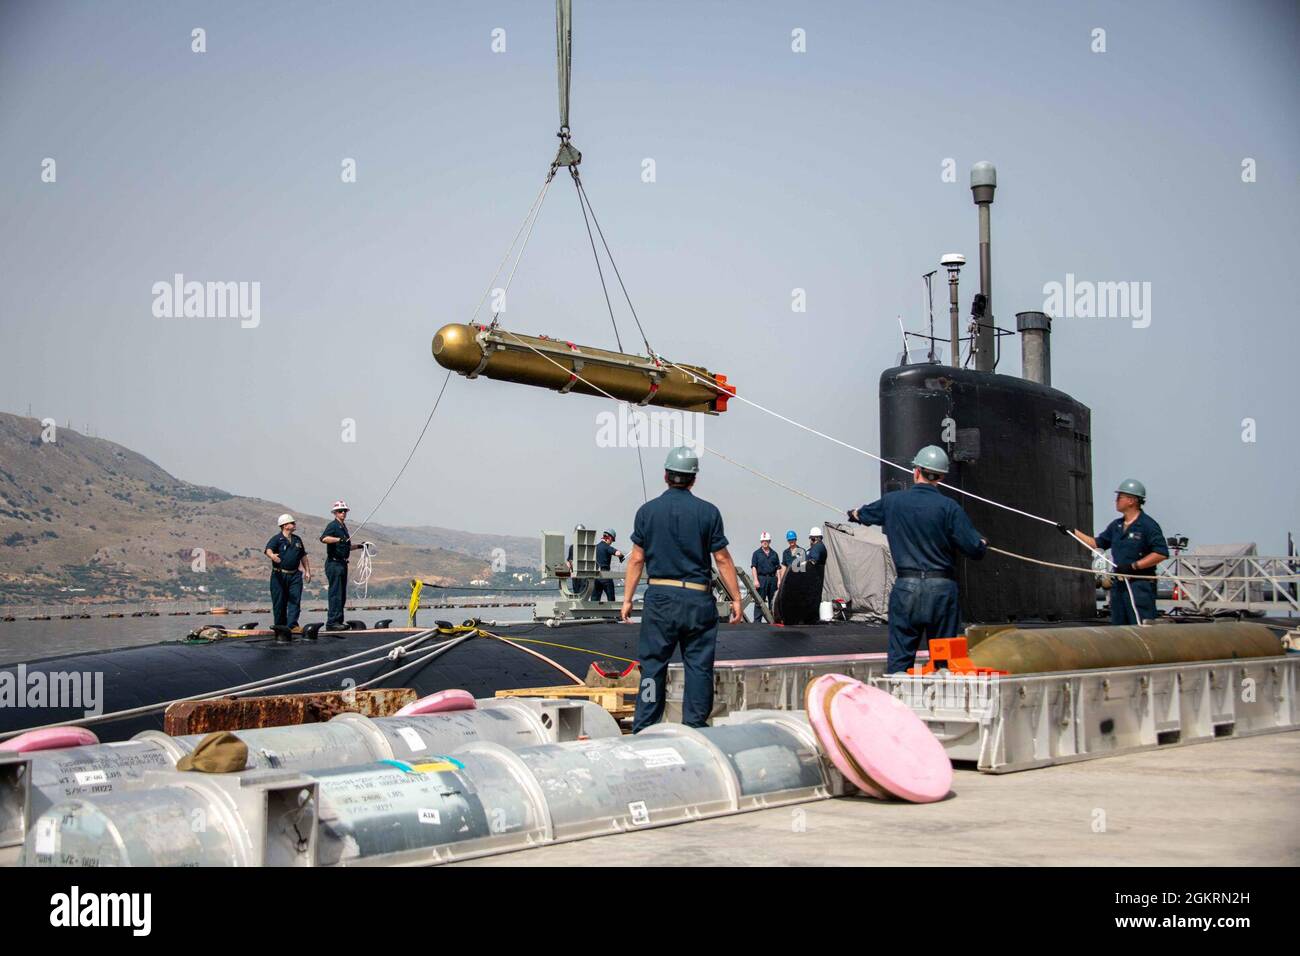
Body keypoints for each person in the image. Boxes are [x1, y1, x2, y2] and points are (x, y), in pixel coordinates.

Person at [621, 446, 742, 732]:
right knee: (698, 667)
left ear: (665, 475)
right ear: (693, 479)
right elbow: (722, 558)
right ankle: (696, 727)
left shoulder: (646, 512)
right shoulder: (709, 512)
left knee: (652, 666)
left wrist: (626, 599)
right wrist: (736, 598)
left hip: (660, 599)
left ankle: (645, 727)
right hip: (698, 599)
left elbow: (637, 558)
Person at [849, 445, 987, 673]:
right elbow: (974, 549)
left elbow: (862, 514)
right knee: (944, 661)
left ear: (916, 471)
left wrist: (853, 514)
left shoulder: (893, 502)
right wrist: (982, 543)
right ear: (941, 476)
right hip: (942, 591)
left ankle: (897, 700)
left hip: (906, 589)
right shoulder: (949, 508)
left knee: (900, 663)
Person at [1060, 478, 1168, 625]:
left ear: (1131, 500)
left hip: (1139, 586)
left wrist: (1134, 566)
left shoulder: (1148, 525)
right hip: (1119, 586)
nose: (1116, 501)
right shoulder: (1116, 526)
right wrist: (1072, 532)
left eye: (1119, 497)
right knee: (1119, 627)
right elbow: (1096, 543)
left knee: (1140, 625)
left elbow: (1161, 552)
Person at [319, 500, 365, 630]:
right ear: (335, 513)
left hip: (342, 563)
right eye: (340, 511)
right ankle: (332, 622)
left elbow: (346, 546)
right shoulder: (333, 526)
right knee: (335, 593)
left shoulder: (343, 527)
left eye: (344, 511)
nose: (343, 513)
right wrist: (339, 539)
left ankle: (338, 620)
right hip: (334, 563)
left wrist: (359, 546)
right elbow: (324, 538)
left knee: (341, 594)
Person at [265, 514, 310, 630]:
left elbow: (303, 556)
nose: (295, 525)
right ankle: (280, 626)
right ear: (285, 525)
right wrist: (272, 556)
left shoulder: (297, 539)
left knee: (295, 600)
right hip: (279, 574)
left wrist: (307, 571)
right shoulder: (277, 539)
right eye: (292, 523)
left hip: (294, 574)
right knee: (279, 601)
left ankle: (292, 625)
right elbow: (268, 549)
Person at [749, 531, 780, 622]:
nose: (764, 542)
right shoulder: (756, 553)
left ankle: (773, 621)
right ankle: (757, 622)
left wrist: (779, 581)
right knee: (759, 601)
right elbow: (754, 567)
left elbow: (778, 568)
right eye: (763, 541)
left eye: (766, 540)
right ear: (760, 542)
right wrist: (755, 580)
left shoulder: (774, 554)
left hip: (772, 579)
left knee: (773, 601)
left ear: (770, 541)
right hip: (761, 579)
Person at [594, 529, 624, 602]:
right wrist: (621, 556)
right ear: (610, 538)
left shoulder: (596, 547)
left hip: (596, 576)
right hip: (606, 576)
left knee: (594, 600)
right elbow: (618, 553)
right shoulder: (607, 547)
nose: (611, 543)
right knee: (611, 600)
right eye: (612, 540)